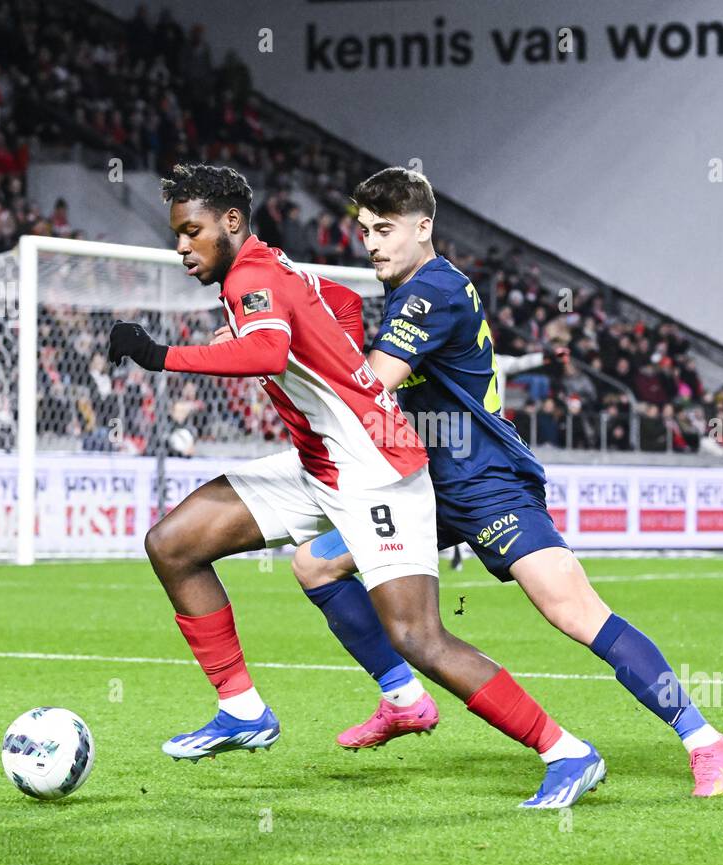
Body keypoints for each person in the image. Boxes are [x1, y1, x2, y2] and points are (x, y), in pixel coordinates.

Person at [108, 163, 605, 808]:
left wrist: (161, 355)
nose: (181, 247)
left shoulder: (255, 276)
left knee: (419, 636)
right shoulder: (270, 271)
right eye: (177, 233)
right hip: (320, 463)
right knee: (174, 543)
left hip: (374, 471)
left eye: (191, 231)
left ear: (232, 222)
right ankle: (242, 709)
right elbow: (330, 309)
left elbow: (262, 353)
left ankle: (566, 751)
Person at [290, 168, 723, 797]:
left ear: (425, 227)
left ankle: (705, 739)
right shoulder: (406, 289)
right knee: (315, 564)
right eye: (365, 230)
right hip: (426, 486)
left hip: (484, 481)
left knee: (575, 612)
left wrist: (286, 342)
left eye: (385, 230)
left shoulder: (433, 290)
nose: (371, 243)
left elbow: (371, 386)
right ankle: (401, 695)